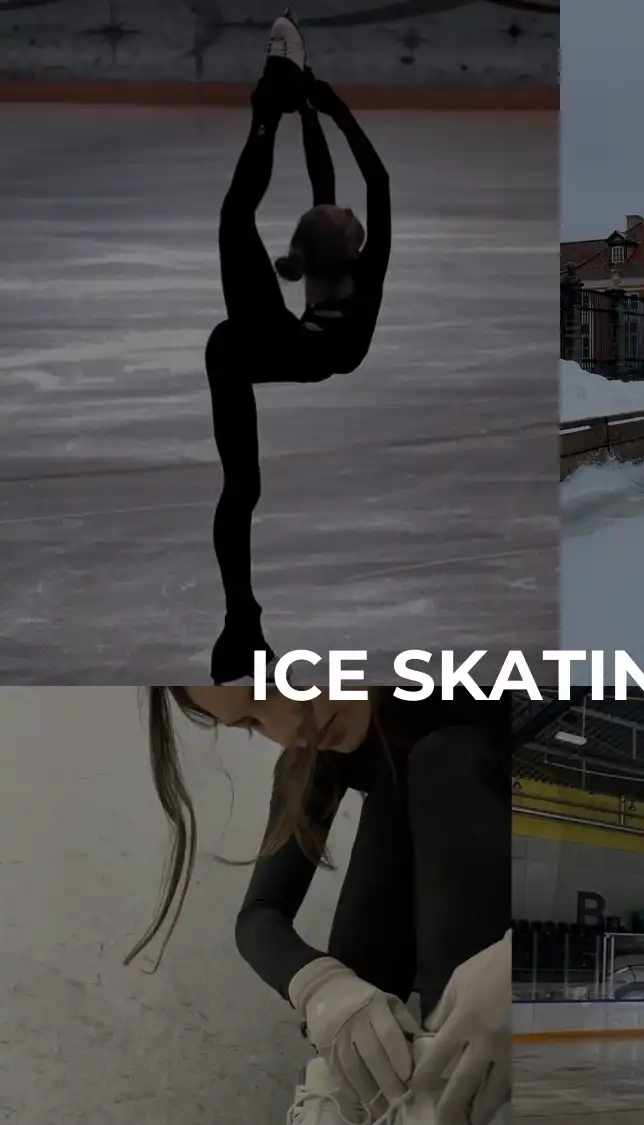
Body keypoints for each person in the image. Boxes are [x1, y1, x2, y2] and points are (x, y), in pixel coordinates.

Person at [134, 687, 509, 1125]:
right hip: (428, 829)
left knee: (446, 756)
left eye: (276, 690)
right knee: (397, 793)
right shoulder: (320, 749)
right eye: (251, 723)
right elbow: (258, 916)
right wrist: (323, 989)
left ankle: (465, 1114)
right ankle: (353, 1089)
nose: (287, 729)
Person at [207, 13, 392, 684]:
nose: (340, 211)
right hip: (261, 347)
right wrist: (313, 110)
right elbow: (337, 186)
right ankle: (241, 622)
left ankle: (272, 101)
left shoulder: (363, 269)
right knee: (241, 486)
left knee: (242, 485)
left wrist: (330, 107)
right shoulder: (331, 247)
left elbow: (377, 184)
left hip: (301, 355)